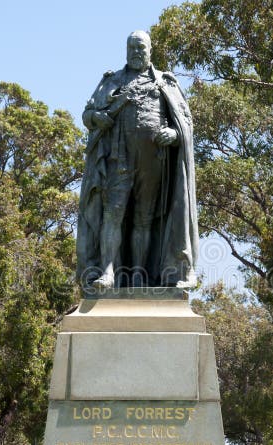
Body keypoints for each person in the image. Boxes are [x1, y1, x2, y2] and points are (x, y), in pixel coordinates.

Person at [76, 30, 198, 288]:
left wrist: (175, 133)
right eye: (131, 47)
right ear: (126, 50)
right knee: (113, 214)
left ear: (151, 50)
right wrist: (97, 118)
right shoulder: (112, 80)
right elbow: (88, 115)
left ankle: (139, 274)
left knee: (144, 219)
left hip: (153, 160)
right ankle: (107, 272)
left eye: (141, 47)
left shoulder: (166, 82)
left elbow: (186, 123)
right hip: (118, 159)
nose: (136, 52)